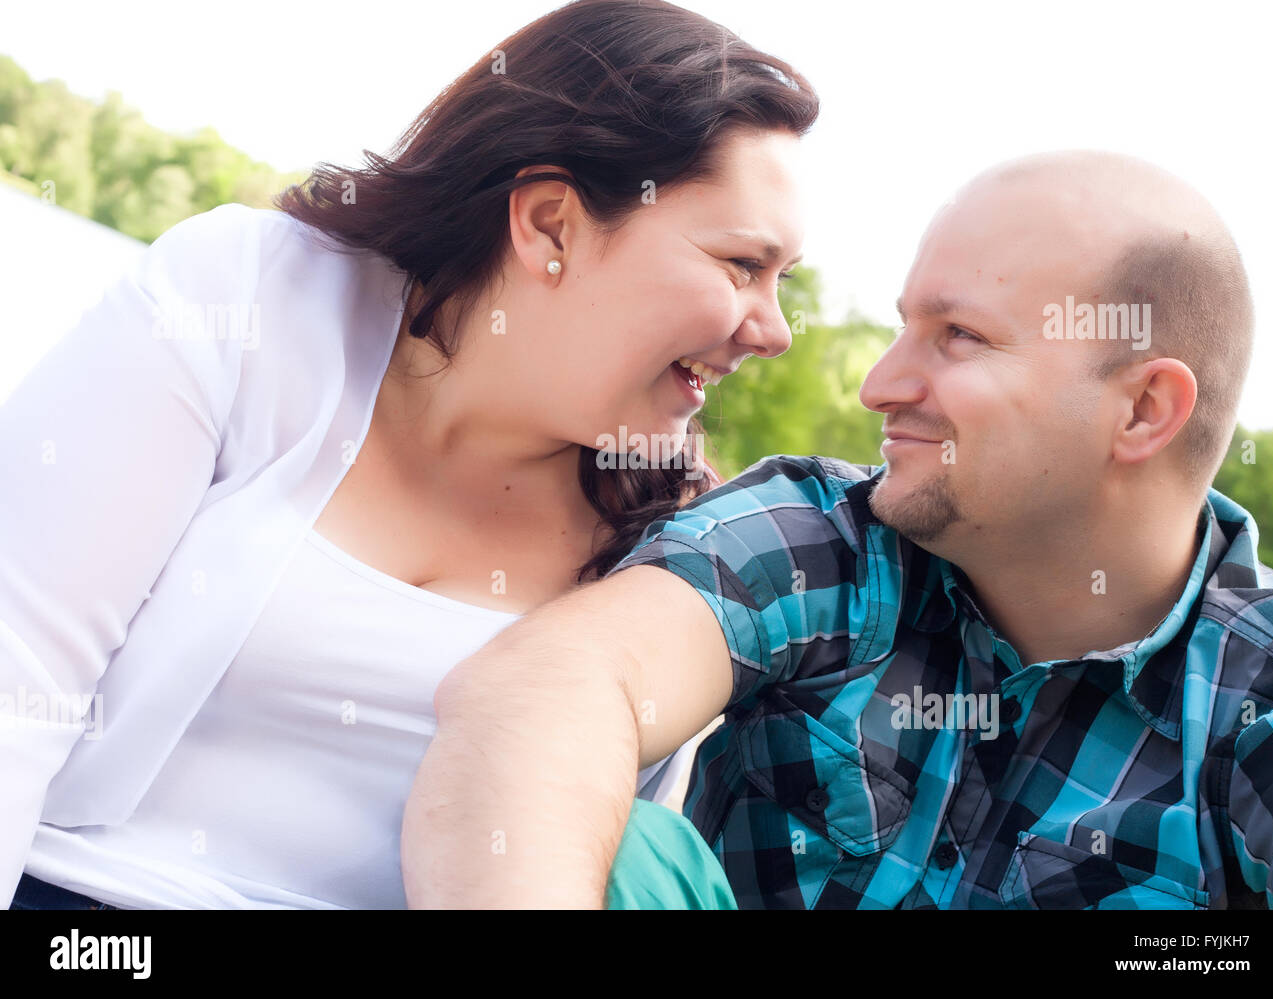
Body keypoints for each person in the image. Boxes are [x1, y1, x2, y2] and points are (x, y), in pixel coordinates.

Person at [0, 0, 814, 909]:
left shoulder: (686, 535)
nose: (775, 329)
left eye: (786, 282)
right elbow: (17, 671)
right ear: (551, 223)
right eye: (743, 265)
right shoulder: (247, 299)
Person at [403, 149, 1273, 909]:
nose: (880, 384)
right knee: (629, 853)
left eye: (959, 337)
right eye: (903, 327)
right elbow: (553, 687)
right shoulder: (824, 540)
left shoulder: (1271, 700)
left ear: (1144, 409)